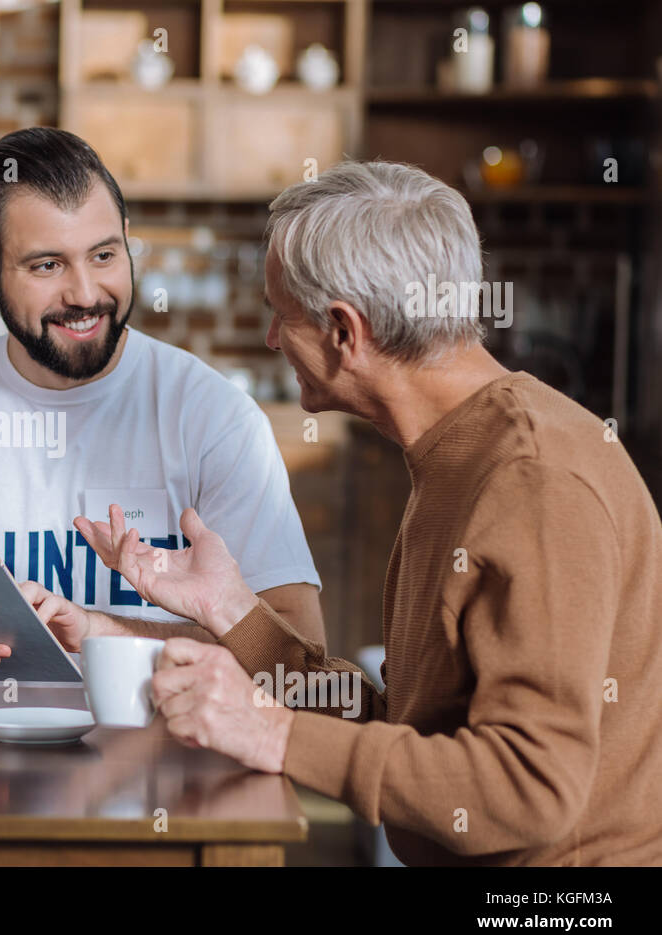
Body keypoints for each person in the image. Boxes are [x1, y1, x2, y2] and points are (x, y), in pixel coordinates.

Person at [75, 160, 662, 865]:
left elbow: (526, 792)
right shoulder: (460, 453)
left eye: (280, 315)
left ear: (343, 331)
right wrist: (232, 610)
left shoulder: (534, 484)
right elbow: (410, 735)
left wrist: (272, 733)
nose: (270, 339)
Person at [0, 127, 323, 690]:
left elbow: (300, 658)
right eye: (47, 266)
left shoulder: (213, 415)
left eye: (103, 255)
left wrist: (102, 632)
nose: (85, 293)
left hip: (170, 767)